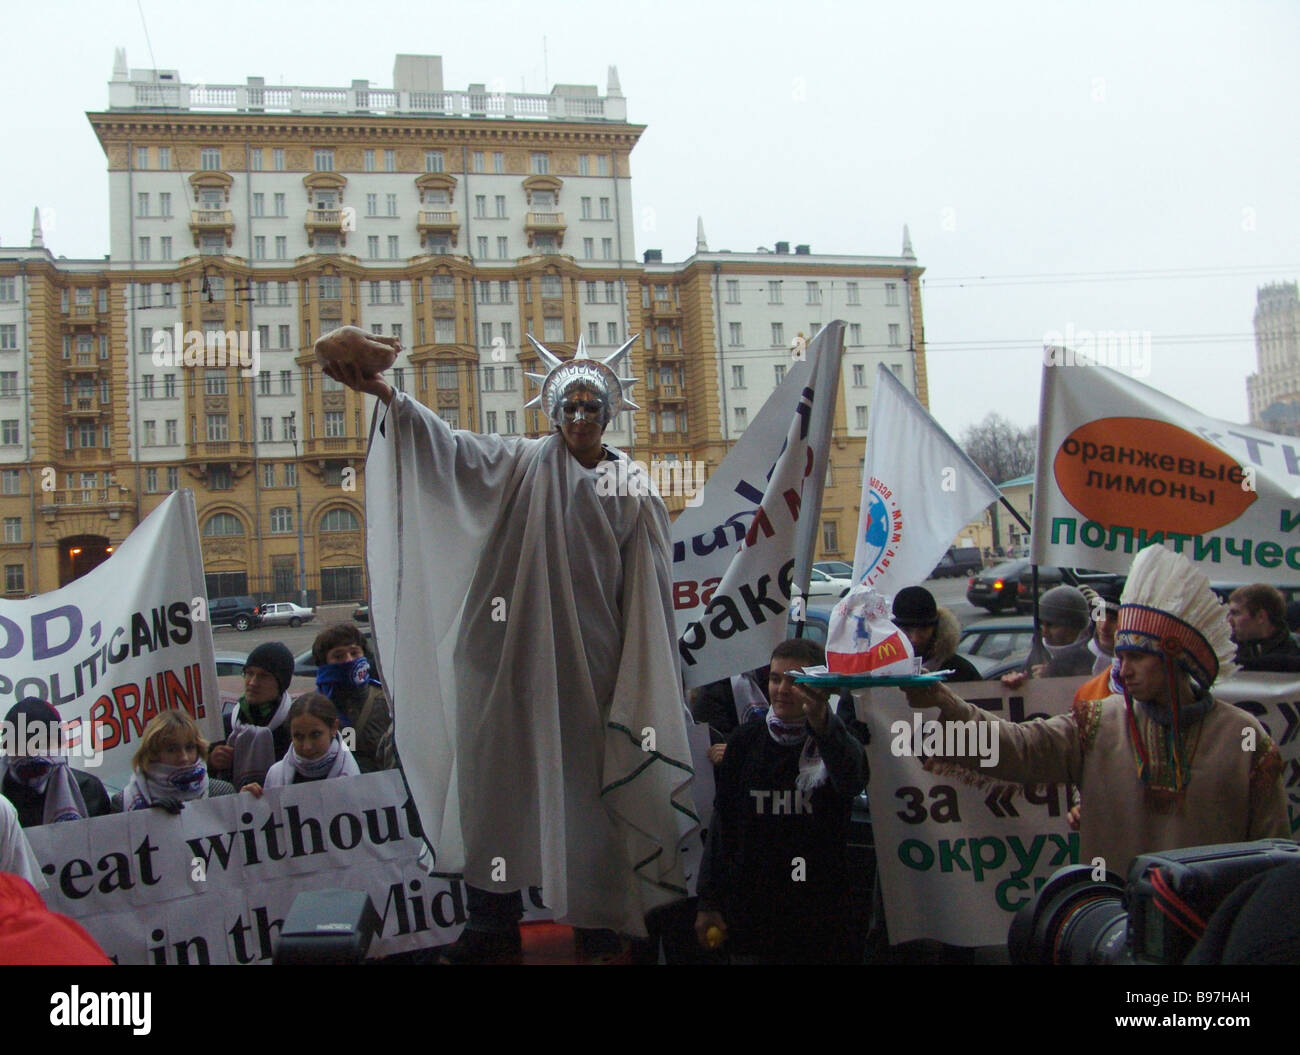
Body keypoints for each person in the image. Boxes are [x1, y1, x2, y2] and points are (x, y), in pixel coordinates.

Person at [320, 325, 694, 963]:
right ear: (553, 413)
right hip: (506, 663)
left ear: (609, 415)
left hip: (593, 669)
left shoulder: (631, 487)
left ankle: (598, 918)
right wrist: (390, 398)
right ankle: (491, 919)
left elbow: (652, 589)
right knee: (496, 783)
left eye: (591, 408)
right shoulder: (521, 463)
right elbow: (453, 452)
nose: (578, 417)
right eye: (568, 407)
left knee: (590, 792)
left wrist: (642, 669)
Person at [902, 545, 1288, 877]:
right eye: (1120, 657)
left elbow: (1273, 856)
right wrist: (941, 700)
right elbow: (1017, 746)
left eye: (1137, 657)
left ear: (1175, 660)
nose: (1123, 669)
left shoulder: (1244, 738)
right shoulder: (1098, 721)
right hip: (1117, 926)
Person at [695, 638, 866, 963]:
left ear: (820, 687)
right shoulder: (745, 742)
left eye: (796, 680)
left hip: (819, 915)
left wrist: (823, 726)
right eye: (775, 678)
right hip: (752, 914)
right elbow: (723, 827)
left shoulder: (835, 742)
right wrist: (708, 901)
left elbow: (852, 779)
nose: (782, 689)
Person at [0, 699, 110, 828]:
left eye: (42, 744)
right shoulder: (3, 796)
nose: (34, 753)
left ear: (59, 744)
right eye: (23, 745)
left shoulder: (88, 790)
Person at [209, 641, 296, 789]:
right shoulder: (224, 725)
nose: (253, 682)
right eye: (249, 673)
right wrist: (211, 762)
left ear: (281, 683)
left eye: (264, 676)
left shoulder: (295, 727)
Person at [116, 709, 235, 812]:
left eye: (189, 747)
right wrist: (149, 818)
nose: (184, 757)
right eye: (172, 749)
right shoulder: (123, 802)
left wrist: (249, 802)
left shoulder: (222, 793)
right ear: (153, 754)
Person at [311, 623, 392, 772]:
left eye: (354, 653)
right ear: (324, 663)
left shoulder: (386, 702)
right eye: (338, 656)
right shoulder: (312, 708)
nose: (349, 660)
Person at [246, 694, 361, 795]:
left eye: (315, 735)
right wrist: (246, 802)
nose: (307, 747)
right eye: (299, 737)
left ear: (334, 728)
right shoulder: (275, 775)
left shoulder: (357, 780)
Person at [891, 585, 981, 682]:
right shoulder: (878, 672)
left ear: (937, 628)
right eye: (907, 630)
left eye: (923, 629)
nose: (915, 638)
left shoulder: (962, 671)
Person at [1227, 584, 1300, 672]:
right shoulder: (1225, 650)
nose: (1229, 620)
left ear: (1261, 616)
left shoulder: (1295, 649)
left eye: (1235, 613)